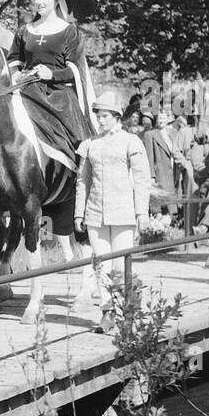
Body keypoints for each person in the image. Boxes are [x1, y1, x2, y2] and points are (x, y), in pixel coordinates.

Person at [73, 88, 151, 333]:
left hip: (123, 211)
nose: (100, 120)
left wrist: (142, 212)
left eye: (105, 115)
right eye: (98, 115)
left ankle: (128, 308)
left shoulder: (131, 142)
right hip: (95, 213)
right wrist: (79, 212)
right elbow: (82, 181)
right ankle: (107, 312)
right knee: (102, 266)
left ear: (117, 116)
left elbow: (141, 179)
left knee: (121, 266)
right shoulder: (90, 145)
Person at [8, 0, 94, 167]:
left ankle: (78, 173)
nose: (39, 2)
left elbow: (75, 68)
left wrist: (51, 75)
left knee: (76, 140)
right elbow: (13, 59)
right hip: (25, 89)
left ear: (55, 1)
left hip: (58, 95)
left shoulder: (69, 31)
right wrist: (17, 74)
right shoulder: (24, 30)